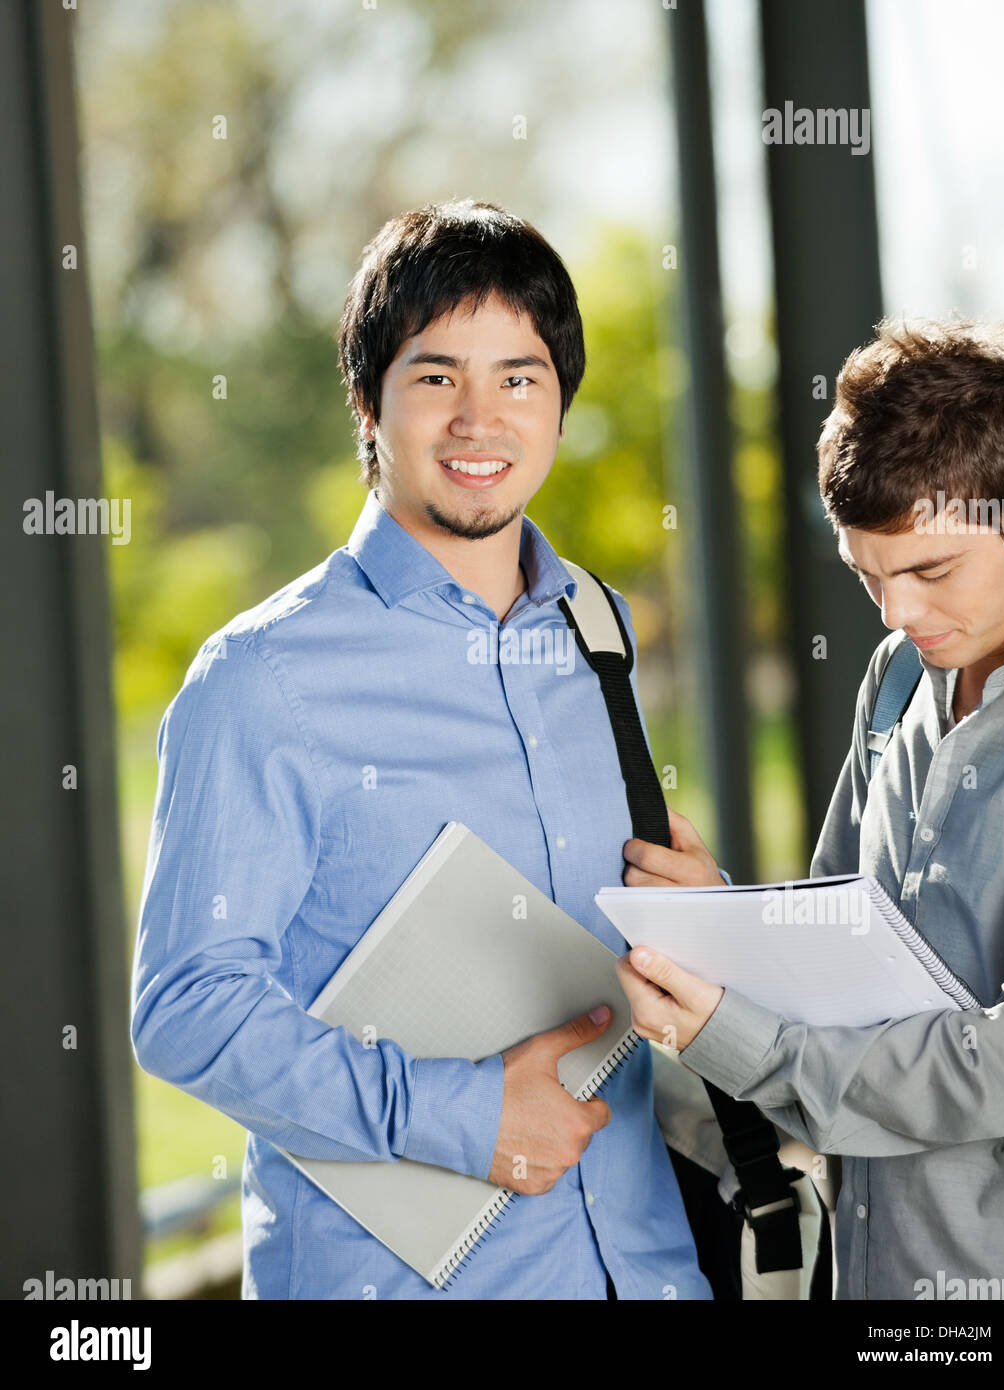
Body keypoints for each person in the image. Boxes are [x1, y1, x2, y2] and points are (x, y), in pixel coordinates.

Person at [130, 197, 713, 1301]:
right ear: (367, 400)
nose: (478, 419)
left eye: (518, 378)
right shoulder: (262, 677)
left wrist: (698, 918)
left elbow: (608, 938)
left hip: (642, 1266)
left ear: (559, 400)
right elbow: (185, 1005)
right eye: (436, 377)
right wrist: (460, 1116)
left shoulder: (599, 629)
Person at [616, 316, 1004, 1301]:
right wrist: (714, 926)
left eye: (932, 571)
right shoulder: (898, 675)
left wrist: (747, 1043)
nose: (896, 615)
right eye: (867, 576)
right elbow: (841, 945)